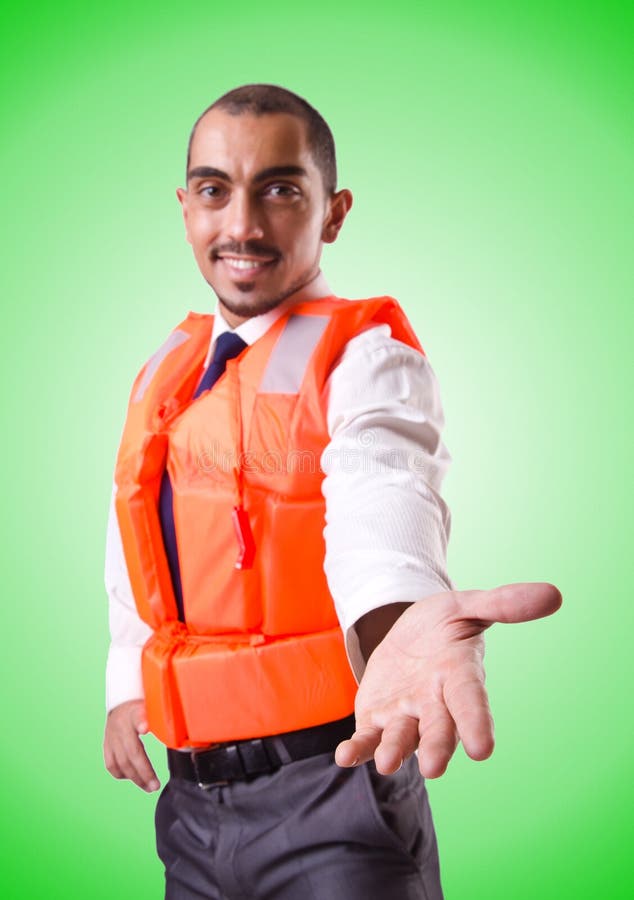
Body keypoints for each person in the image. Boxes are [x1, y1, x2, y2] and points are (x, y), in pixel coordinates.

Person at [103, 84, 561, 899]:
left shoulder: (365, 358)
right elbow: (141, 539)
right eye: (215, 190)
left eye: (280, 190)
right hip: (190, 807)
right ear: (185, 207)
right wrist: (126, 683)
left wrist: (403, 613)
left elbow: (382, 491)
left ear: (334, 211)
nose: (241, 225)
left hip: (335, 792)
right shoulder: (166, 370)